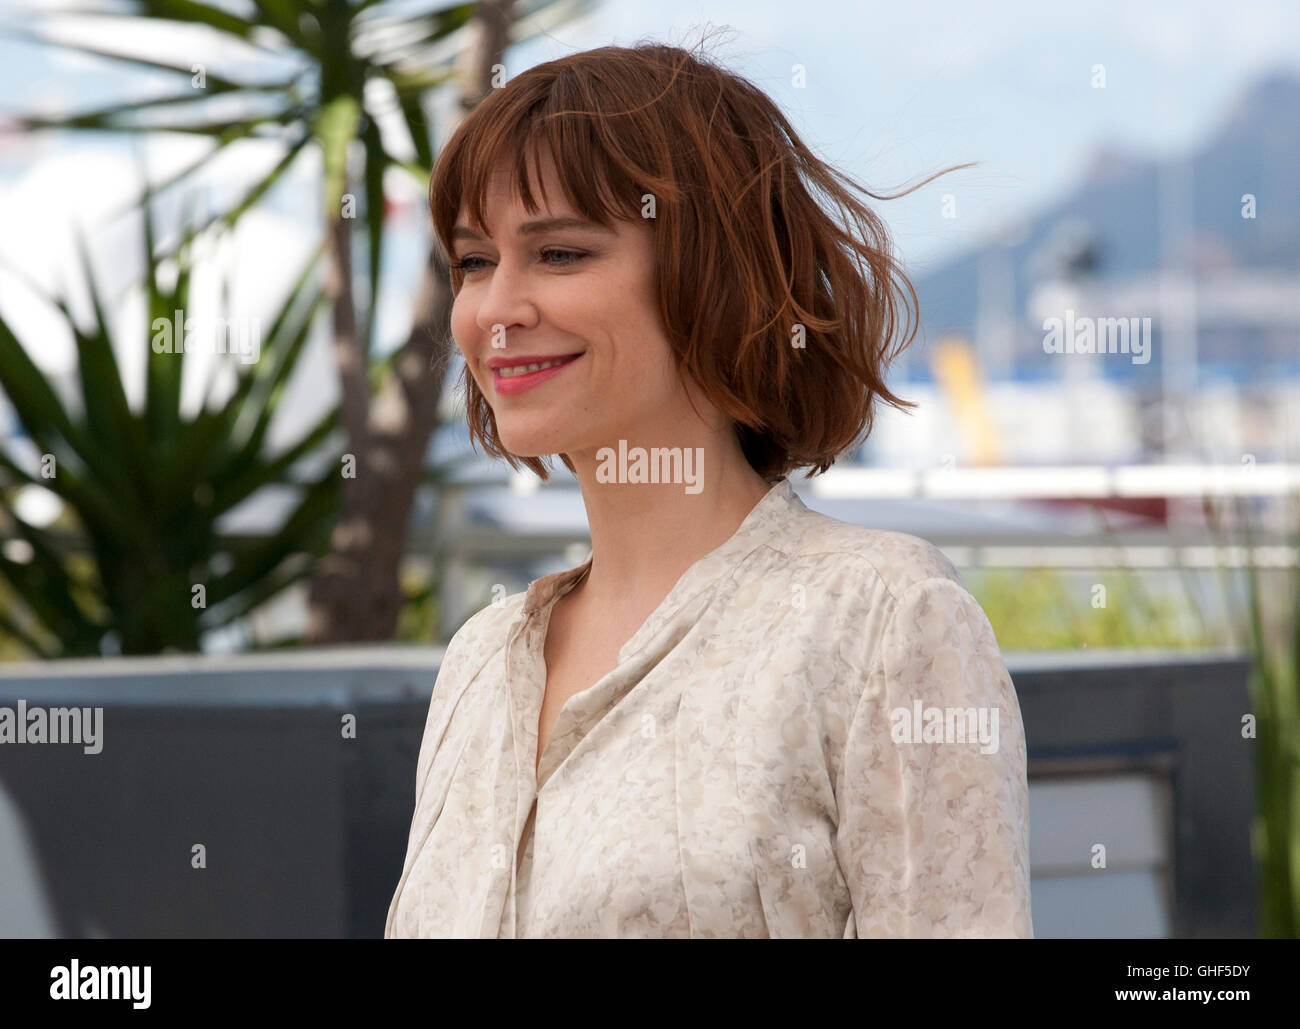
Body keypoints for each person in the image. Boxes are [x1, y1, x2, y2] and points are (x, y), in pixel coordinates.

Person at [385, 40, 1031, 938]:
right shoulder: (480, 661)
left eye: (561, 253)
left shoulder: (884, 620)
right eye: (474, 262)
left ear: (713, 271)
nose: (497, 310)